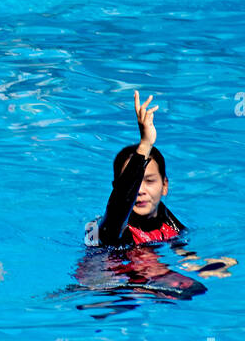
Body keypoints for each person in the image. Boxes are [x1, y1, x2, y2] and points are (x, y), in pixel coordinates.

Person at [94, 91, 236, 275]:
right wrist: (145, 144)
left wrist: (196, 263)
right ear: (118, 189)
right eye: (136, 184)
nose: (140, 191)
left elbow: (178, 243)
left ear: (165, 186)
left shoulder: (163, 216)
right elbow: (122, 201)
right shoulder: (112, 226)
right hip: (107, 286)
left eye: (150, 181)